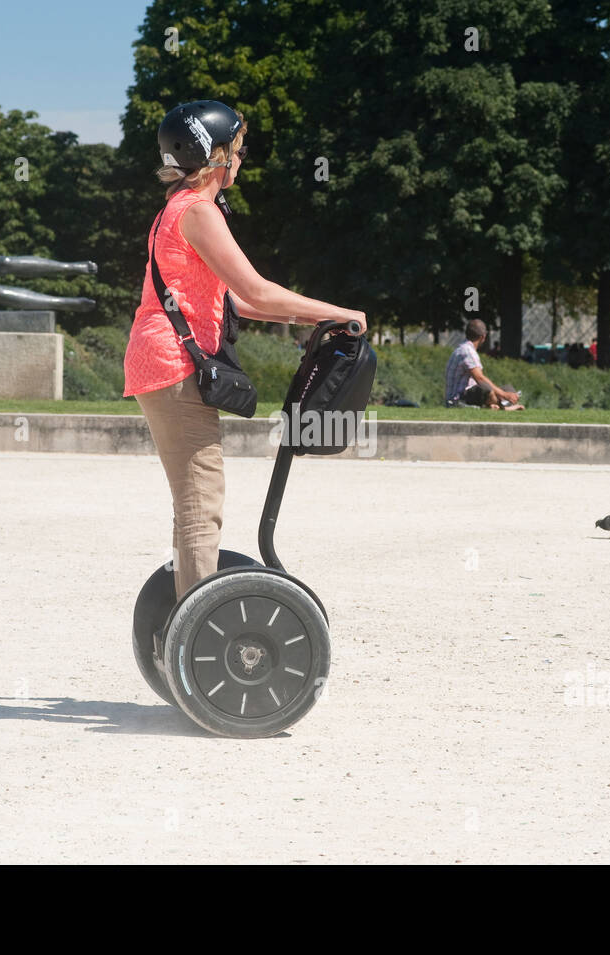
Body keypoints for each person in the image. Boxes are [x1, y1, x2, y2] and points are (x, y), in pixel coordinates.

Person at [123, 101, 366, 600]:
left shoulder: (177, 208)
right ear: (214, 155)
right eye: (236, 148)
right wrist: (340, 311)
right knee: (200, 504)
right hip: (174, 364)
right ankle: (194, 637)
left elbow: (232, 299)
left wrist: (319, 317)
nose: (241, 158)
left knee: (194, 502)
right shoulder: (198, 210)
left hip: (162, 361)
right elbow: (255, 290)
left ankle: (185, 622)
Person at [444, 318, 524, 410]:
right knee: (486, 388)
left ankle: (493, 405)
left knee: (508, 388)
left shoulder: (464, 348)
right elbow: (480, 378)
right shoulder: (467, 351)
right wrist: (504, 395)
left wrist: (505, 393)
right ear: (483, 337)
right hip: (458, 399)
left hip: (469, 394)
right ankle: (504, 408)